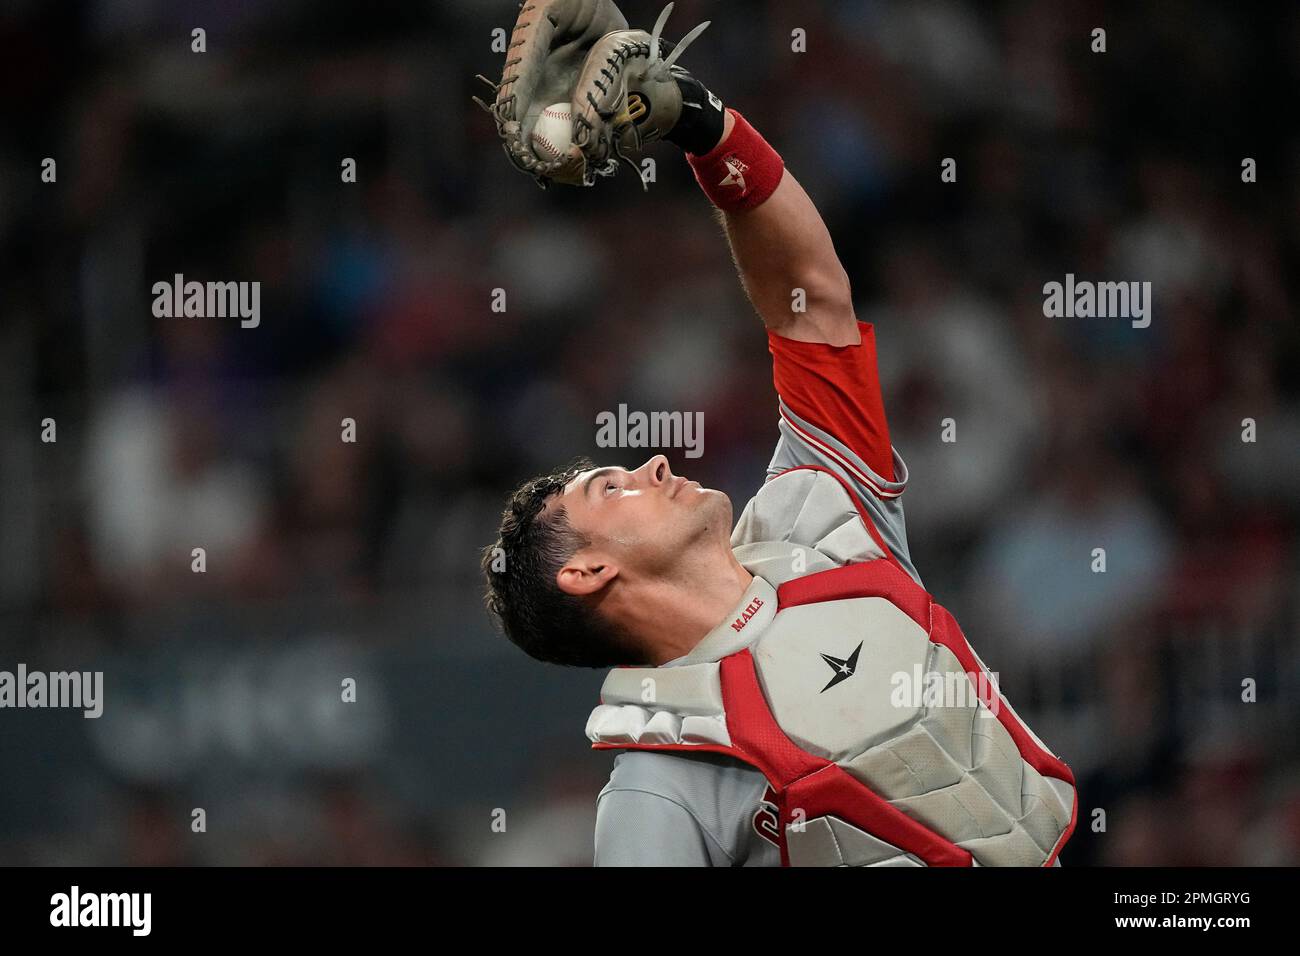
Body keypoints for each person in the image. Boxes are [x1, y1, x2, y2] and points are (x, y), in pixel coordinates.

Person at [481, 1, 1076, 866]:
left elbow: (812, 295)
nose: (652, 460)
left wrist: (699, 124)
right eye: (611, 487)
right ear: (586, 570)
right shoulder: (658, 782)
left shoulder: (820, 510)